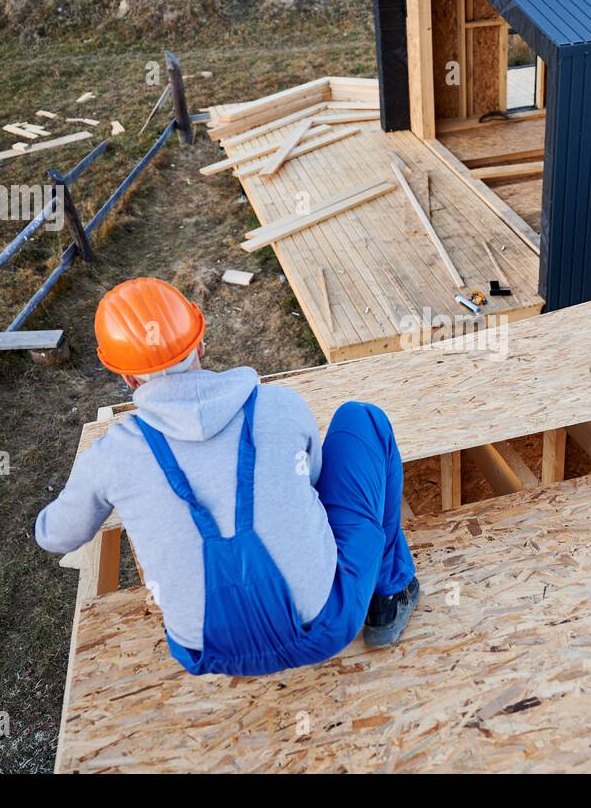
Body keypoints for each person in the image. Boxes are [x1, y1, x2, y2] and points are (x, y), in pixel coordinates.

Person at [34, 277, 419, 676]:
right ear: (199, 343)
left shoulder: (111, 456)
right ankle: (390, 595)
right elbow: (316, 483)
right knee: (362, 418)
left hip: (206, 652)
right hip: (327, 627)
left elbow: (54, 536)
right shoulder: (281, 405)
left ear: (127, 377)